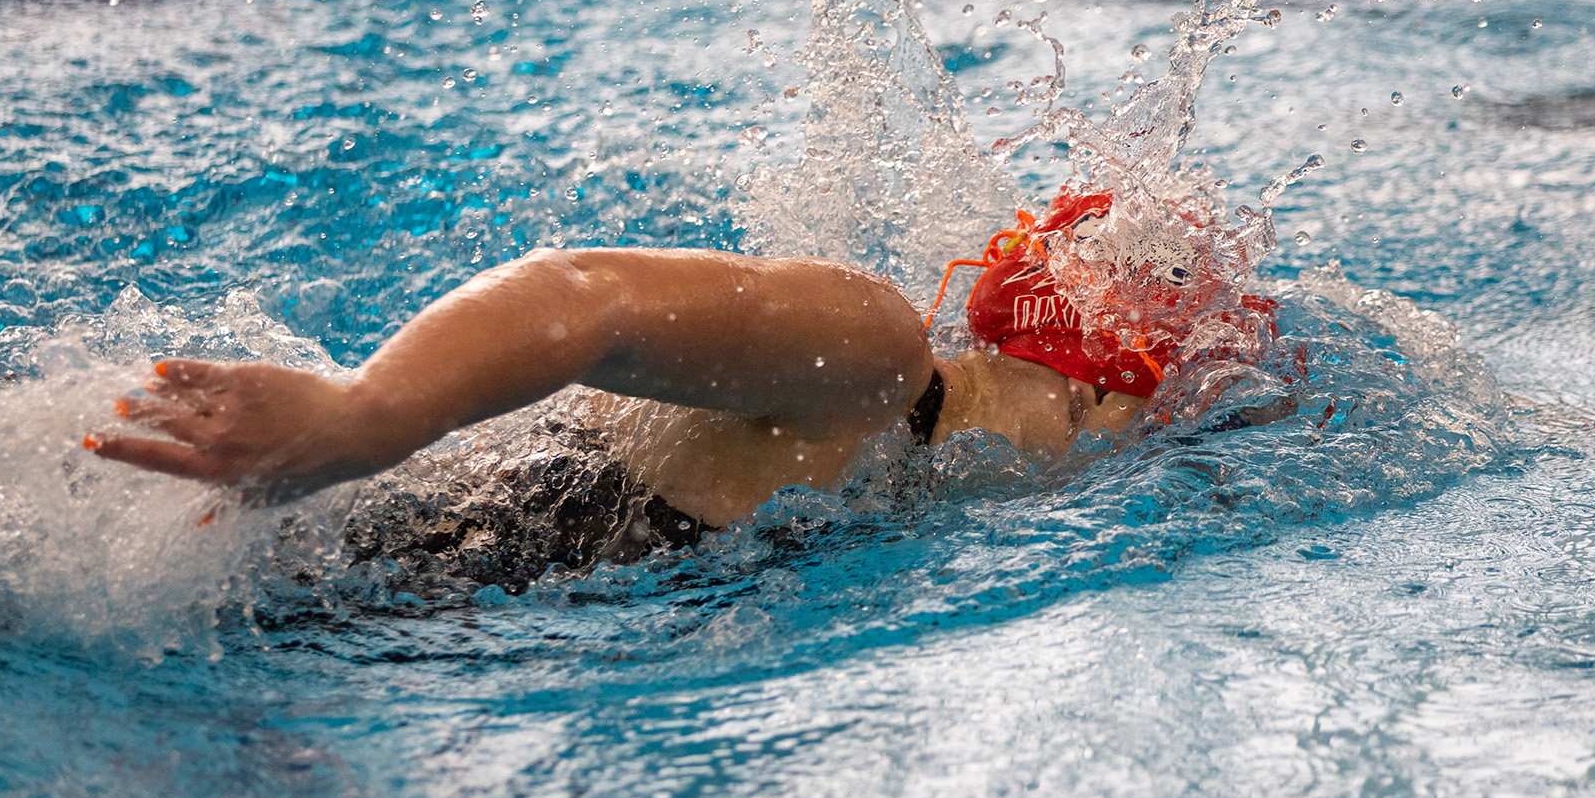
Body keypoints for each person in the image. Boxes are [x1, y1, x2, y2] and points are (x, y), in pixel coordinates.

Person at [86, 189, 1193, 537]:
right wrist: (363, 415)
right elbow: (583, 292)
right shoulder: (875, 354)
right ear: (1105, 391)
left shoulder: (902, 455)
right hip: (349, 547)